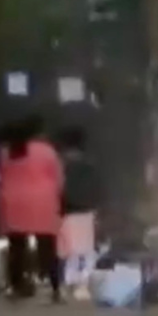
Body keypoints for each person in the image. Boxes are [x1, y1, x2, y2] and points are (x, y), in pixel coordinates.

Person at [0, 116, 64, 301]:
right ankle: (55, 288)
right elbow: (58, 178)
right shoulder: (47, 151)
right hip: (42, 201)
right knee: (47, 246)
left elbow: (0, 174)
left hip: (13, 201)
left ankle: (17, 286)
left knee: (16, 247)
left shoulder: (5, 151)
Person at [57, 126, 100, 298]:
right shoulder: (89, 164)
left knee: (69, 250)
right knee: (86, 249)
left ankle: (70, 281)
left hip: (67, 210)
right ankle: (82, 281)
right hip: (86, 210)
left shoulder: (61, 165)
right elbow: (96, 188)